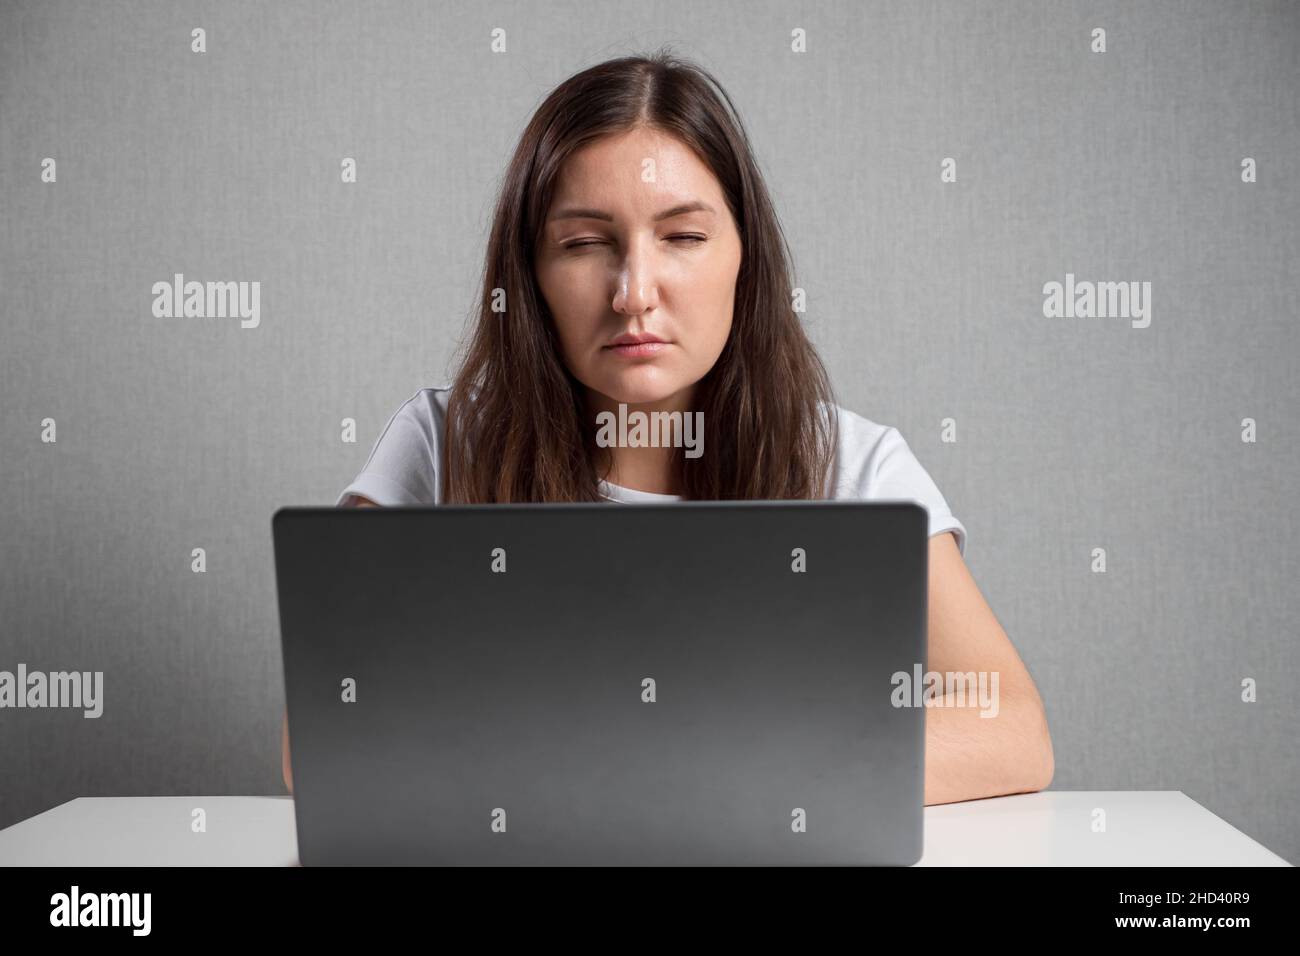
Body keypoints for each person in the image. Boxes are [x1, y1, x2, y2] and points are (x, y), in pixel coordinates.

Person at [283, 49, 1053, 807]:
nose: (633, 294)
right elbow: (317, 741)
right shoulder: (441, 444)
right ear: (528, 276)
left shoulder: (853, 463)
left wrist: (684, 761)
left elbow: (1012, 730)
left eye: (683, 237)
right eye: (584, 244)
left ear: (744, 260)